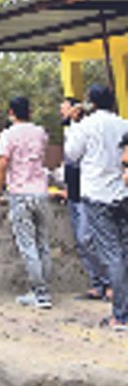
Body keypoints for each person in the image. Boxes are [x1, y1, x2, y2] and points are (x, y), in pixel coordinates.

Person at [64, 84, 128, 332]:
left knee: (111, 254)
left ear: (90, 102)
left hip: (96, 194)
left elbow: (71, 154)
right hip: (122, 194)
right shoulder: (123, 124)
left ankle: (121, 315)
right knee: (123, 252)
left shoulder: (86, 126)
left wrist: (73, 123)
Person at [0, 96, 51, 308]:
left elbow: (2, 164)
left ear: (11, 113)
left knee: (28, 244)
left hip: (20, 193)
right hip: (41, 192)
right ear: (30, 111)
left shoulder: (8, 135)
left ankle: (39, 293)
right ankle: (44, 289)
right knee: (43, 242)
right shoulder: (40, 132)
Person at [59, 97, 109, 299]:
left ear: (75, 109)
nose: (61, 113)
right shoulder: (71, 130)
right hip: (73, 192)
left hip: (88, 192)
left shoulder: (88, 128)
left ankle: (109, 282)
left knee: (88, 238)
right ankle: (97, 284)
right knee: (81, 242)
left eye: (64, 109)